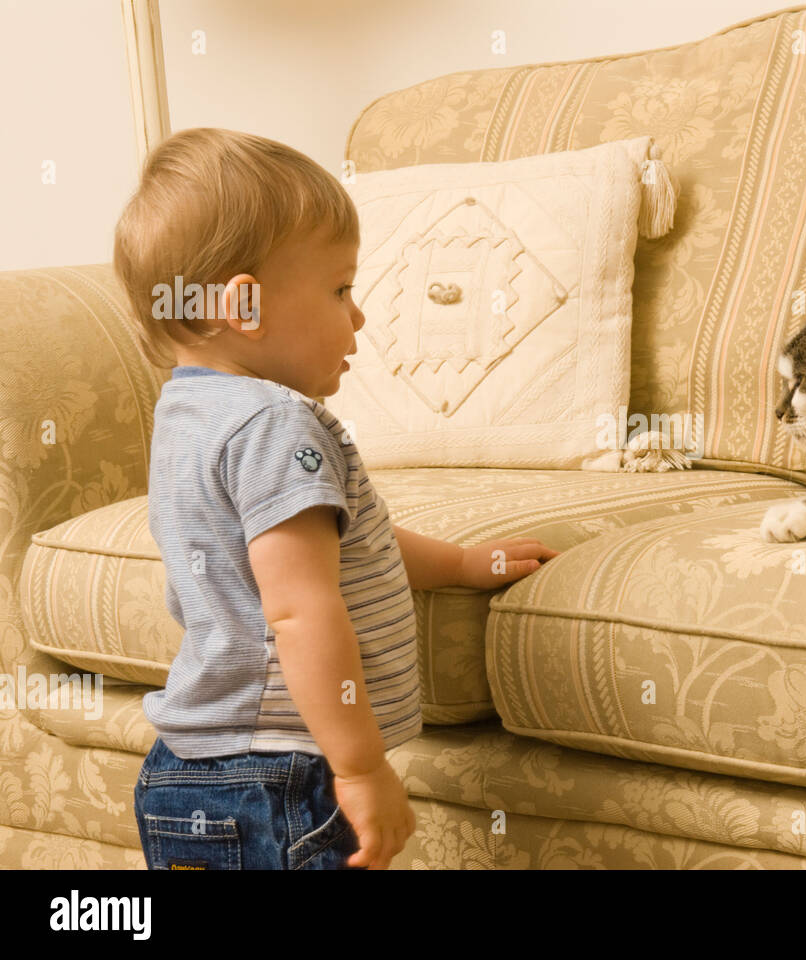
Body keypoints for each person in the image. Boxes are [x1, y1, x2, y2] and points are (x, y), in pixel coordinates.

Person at [115, 127, 558, 869]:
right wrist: (359, 767)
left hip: (186, 774)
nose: (358, 317)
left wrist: (461, 563)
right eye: (341, 289)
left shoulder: (185, 416)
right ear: (245, 306)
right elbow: (301, 609)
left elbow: (343, 544)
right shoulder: (277, 421)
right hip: (280, 778)